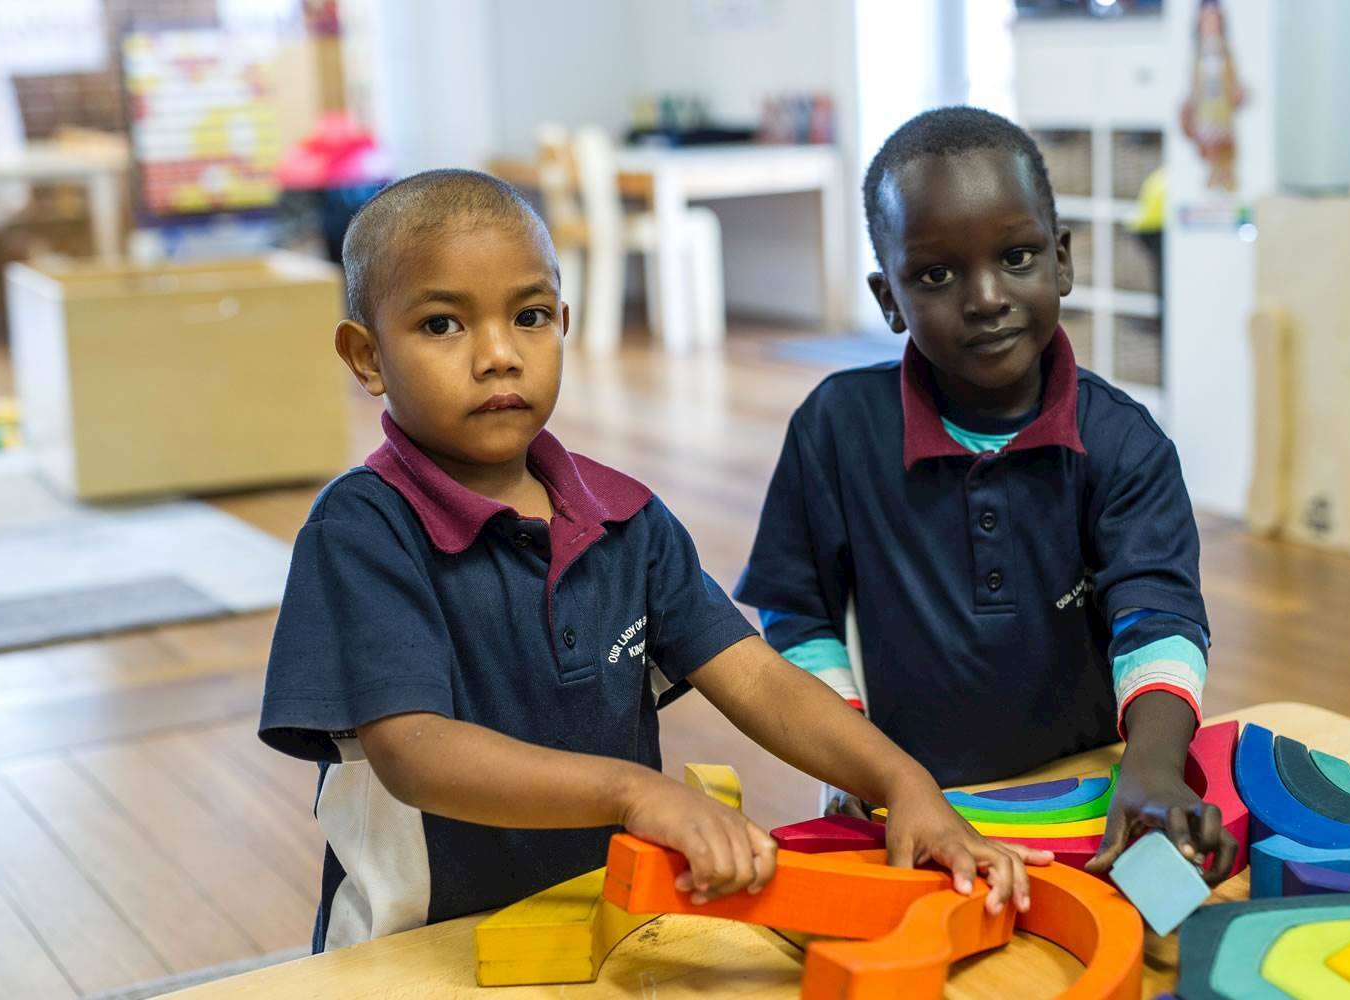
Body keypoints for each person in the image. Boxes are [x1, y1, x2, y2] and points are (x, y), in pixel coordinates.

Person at [259, 168, 1048, 951]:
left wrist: (903, 783)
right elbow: (413, 751)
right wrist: (633, 792)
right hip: (420, 948)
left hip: (608, 926)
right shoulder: (361, 530)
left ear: (563, 322)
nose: (499, 355)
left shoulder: (627, 520)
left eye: (529, 316)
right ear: (366, 357)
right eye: (442, 326)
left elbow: (759, 680)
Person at [735, 107, 1238, 881]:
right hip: (916, 804)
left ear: (1061, 261)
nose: (986, 297)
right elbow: (798, 613)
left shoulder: (1126, 444)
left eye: (1016, 256)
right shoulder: (835, 429)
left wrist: (1154, 768)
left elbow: (1159, 617)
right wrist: (852, 760)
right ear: (889, 298)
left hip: (1101, 794)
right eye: (936, 274)